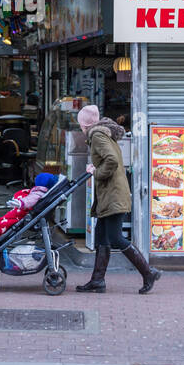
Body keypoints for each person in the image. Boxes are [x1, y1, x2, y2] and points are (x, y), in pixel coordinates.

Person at [75, 104, 160, 294]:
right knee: (101, 236)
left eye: (80, 124)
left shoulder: (96, 136)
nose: (80, 128)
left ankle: (148, 272)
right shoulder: (102, 134)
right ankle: (97, 280)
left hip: (113, 195)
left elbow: (111, 160)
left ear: (85, 124)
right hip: (110, 194)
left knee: (115, 237)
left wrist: (97, 172)